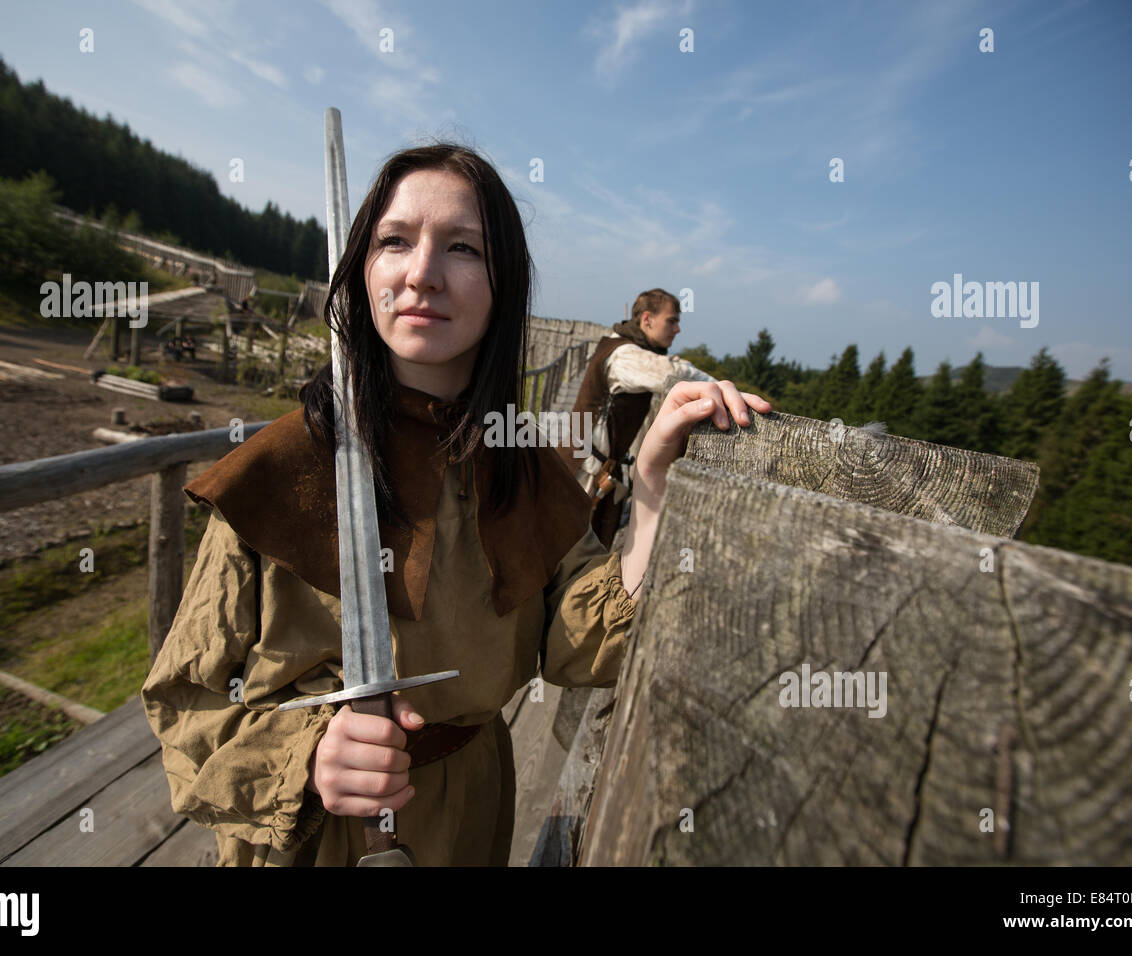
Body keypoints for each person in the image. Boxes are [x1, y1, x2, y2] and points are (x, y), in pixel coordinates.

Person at [140, 143, 768, 867]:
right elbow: (185, 703)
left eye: (462, 247)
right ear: (363, 272)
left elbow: (579, 646)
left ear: (502, 285)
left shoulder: (525, 473)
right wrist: (305, 760)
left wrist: (653, 485)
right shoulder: (277, 469)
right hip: (305, 838)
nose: (421, 273)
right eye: (394, 240)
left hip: (468, 818)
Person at [558, 289, 719, 548]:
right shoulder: (626, 356)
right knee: (564, 550)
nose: (677, 329)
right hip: (584, 473)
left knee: (581, 551)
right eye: (672, 320)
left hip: (597, 470)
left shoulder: (623, 347)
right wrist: (724, 389)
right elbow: (671, 373)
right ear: (647, 319)